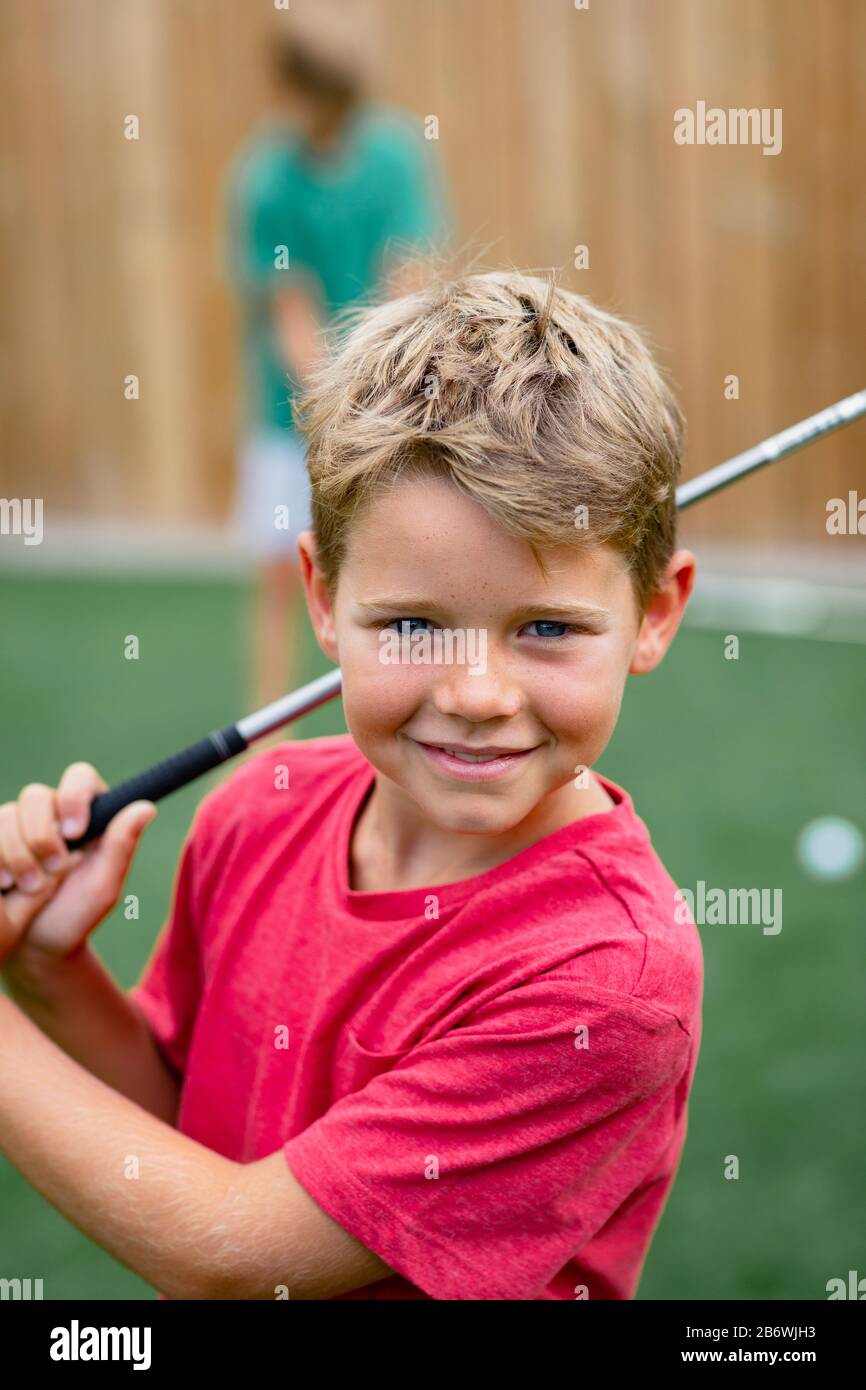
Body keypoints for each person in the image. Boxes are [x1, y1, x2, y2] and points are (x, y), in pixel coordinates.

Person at [0, 270, 703, 1301]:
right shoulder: (260, 803)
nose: (474, 694)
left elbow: (232, 1255)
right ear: (323, 601)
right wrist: (55, 974)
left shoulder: (609, 984)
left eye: (544, 627)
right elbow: (189, 1130)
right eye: (412, 624)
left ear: (652, 612)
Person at [223, 26, 452, 715]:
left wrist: (392, 395)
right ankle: (268, 732)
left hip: (390, 408)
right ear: (292, 92)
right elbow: (292, 316)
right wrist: (339, 403)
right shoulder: (265, 181)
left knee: (412, 567)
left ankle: (413, 706)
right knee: (279, 577)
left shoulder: (396, 155)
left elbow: (409, 278)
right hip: (288, 418)